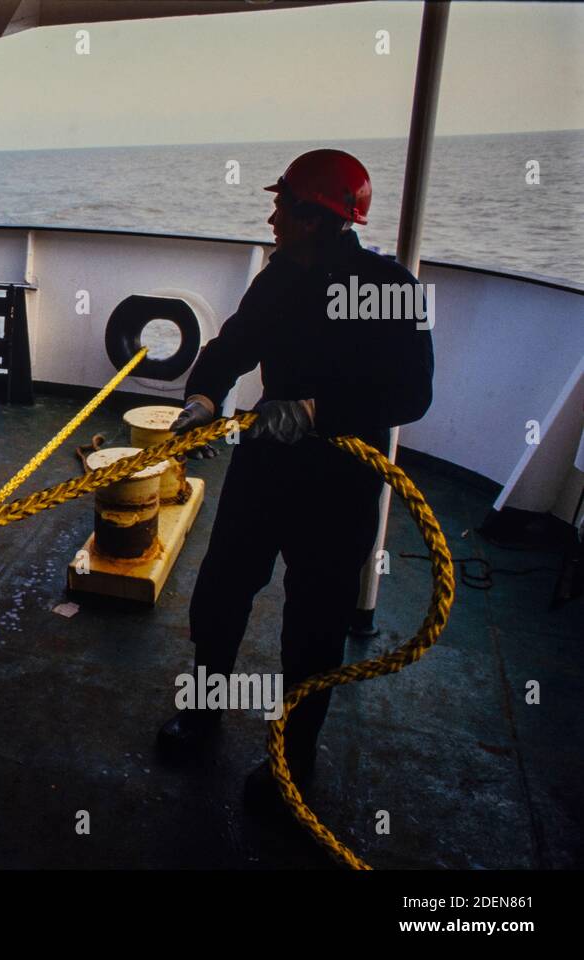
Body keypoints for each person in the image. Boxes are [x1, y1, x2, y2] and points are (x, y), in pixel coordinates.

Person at [156, 149, 435, 815]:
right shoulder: (280, 277)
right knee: (221, 591)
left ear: (315, 218)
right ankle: (204, 715)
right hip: (266, 465)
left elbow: (411, 394)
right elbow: (230, 348)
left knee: (314, 624)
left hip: (339, 482)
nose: (272, 216)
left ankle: (294, 761)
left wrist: (316, 411)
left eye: (283, 205)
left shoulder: (386, 286)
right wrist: (202, 399)